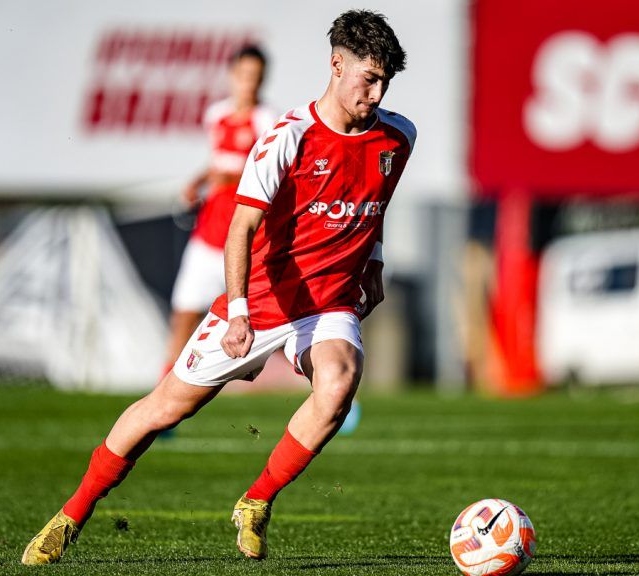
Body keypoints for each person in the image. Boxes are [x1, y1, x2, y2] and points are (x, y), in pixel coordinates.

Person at [21, 9, 414, 565]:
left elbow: (374, 207)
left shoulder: (399, 136)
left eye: (384, 83)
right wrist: (237, 312)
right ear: (336, 64)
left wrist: (372, 262)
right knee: (164, 409)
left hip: (327, 302)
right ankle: (71, 513)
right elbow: (241, 230)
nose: (375, 94)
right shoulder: (288, 138)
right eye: (367, 79)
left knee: (340, 381)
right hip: (262, 299)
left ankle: (255, 501)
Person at [165, 45, 276, 372]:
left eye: (255, 77)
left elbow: (271, 174)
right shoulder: (216, 116)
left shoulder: (268, 120)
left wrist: (228, 177)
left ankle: (327, 389)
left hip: (247, 240)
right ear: (232, 76)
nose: (249, 84)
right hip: (209, 233)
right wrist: (198, 180)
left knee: (270, 325)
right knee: (184, 314)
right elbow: (217, 164)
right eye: (244, 76)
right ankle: (161, 402)